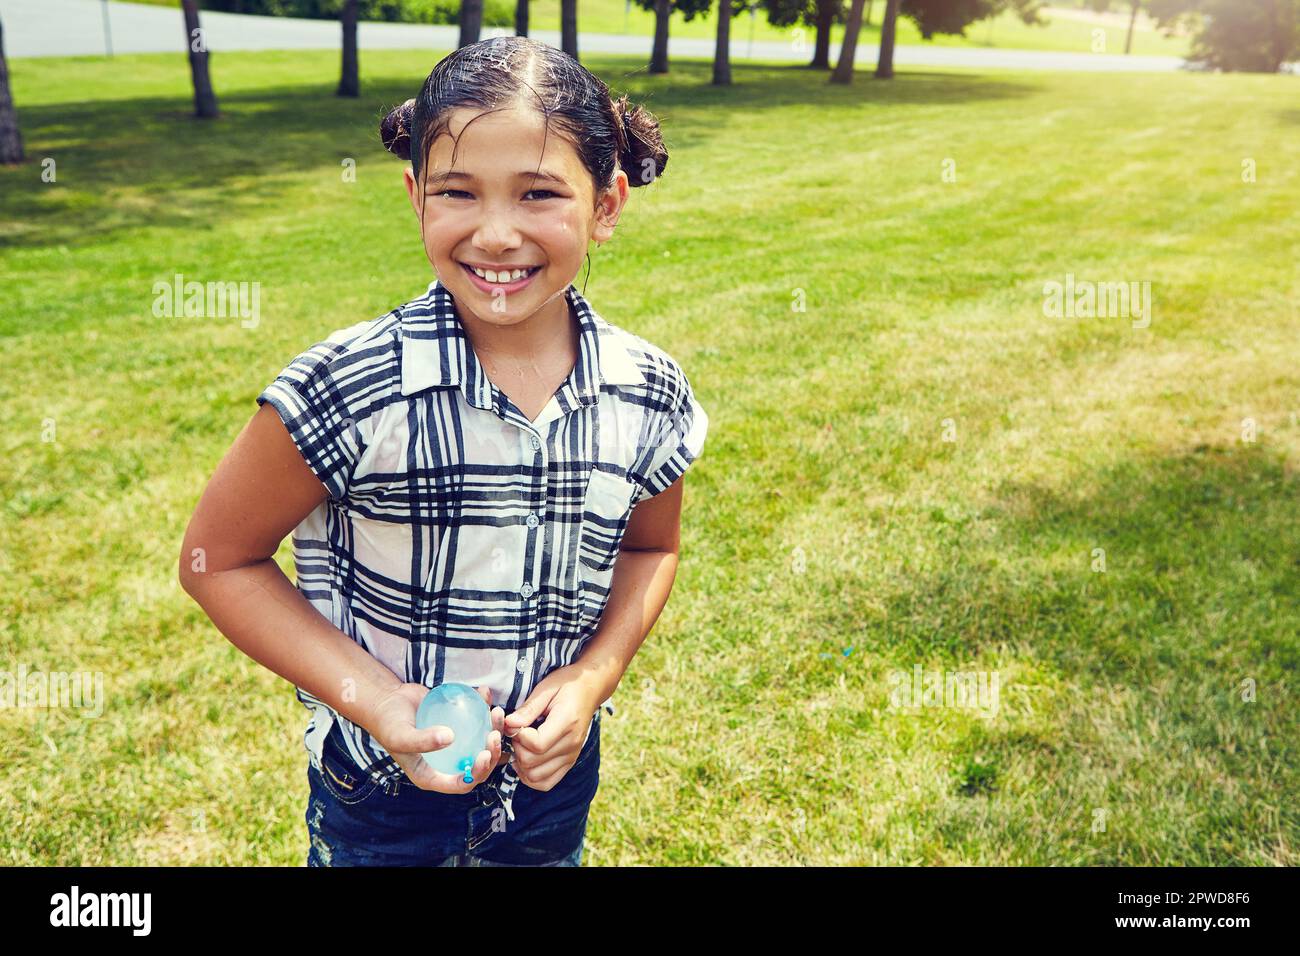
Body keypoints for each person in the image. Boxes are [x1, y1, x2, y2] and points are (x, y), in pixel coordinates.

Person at [178, 35, 708, 867]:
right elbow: (218, 560)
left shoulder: (648, 392)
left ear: (607, 204)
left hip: (550, 790)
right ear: (415, 194)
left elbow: (653, 546)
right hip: (378, 798)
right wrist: (380, 703)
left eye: (538, 194)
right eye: (458, 193)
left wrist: (592, 679)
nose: (496, 234)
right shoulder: (351, 385)